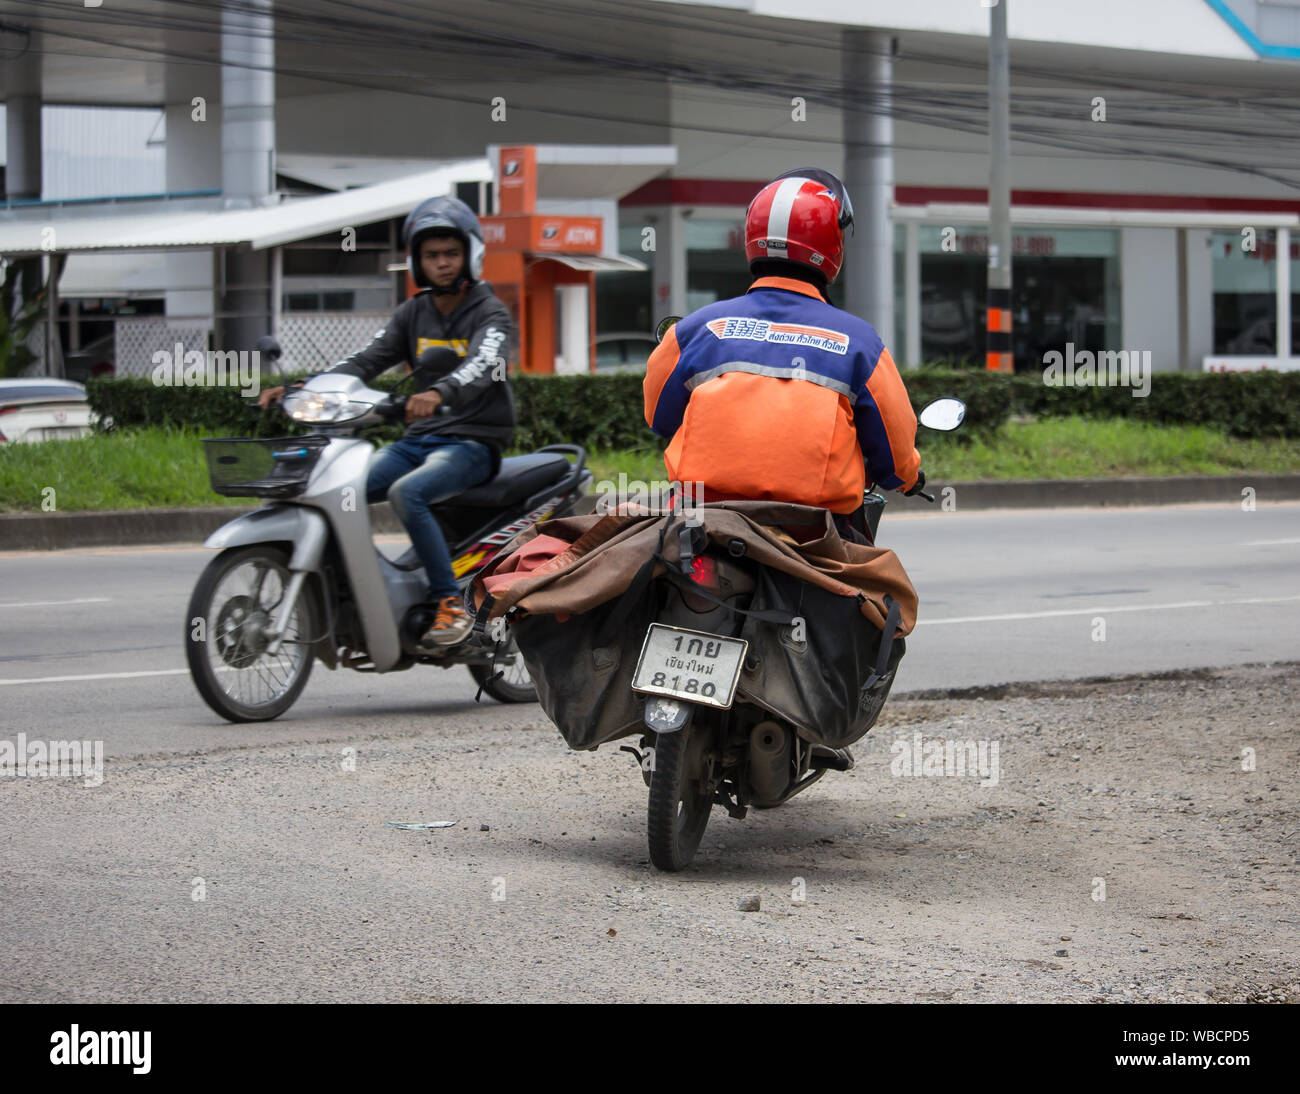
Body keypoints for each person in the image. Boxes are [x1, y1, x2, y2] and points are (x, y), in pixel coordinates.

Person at [259, 195, 515, 646]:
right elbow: (364, 360)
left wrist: (439, 393)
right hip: (418, 439)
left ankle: (448, 604)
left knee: (407, 493)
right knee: (340, 489)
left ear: (470, 255)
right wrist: (303, 388)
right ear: (416, 261)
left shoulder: (490, 313)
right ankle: (354, 590)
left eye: (450, 254)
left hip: (471, 442)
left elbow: (482, 364)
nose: (442, 263)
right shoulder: (412, 313)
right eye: (432, 255)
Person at [643, 168, 925, 536]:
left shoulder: (695, 329)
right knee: (886, 592)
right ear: (833, 246)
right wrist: (907, 478)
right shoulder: (860, 343)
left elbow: (659, 419)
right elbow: (894, 452)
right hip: (814, 533)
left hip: (701, 525)